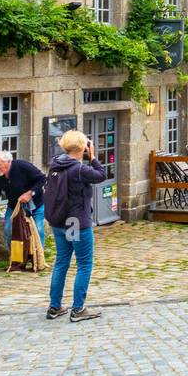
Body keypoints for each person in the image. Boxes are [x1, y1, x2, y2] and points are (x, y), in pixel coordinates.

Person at [45, 129, 108, 322]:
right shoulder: (78, 169)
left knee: (61, 262)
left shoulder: (55, 165)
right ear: (82, 147)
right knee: (84, 264)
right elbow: (101, 175)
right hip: (75, 222)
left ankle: (54, 306)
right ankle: (78, 309)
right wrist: (94, 157)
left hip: (58, 221)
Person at [0, 151, 47, 247]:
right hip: (14, 207)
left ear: (8, 162)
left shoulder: (22, 166)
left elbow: (42, 179)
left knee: (38, 230)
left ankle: (38, 259)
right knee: (8, 230)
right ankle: (16, 259)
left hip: (35, 205)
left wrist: (30, 193)